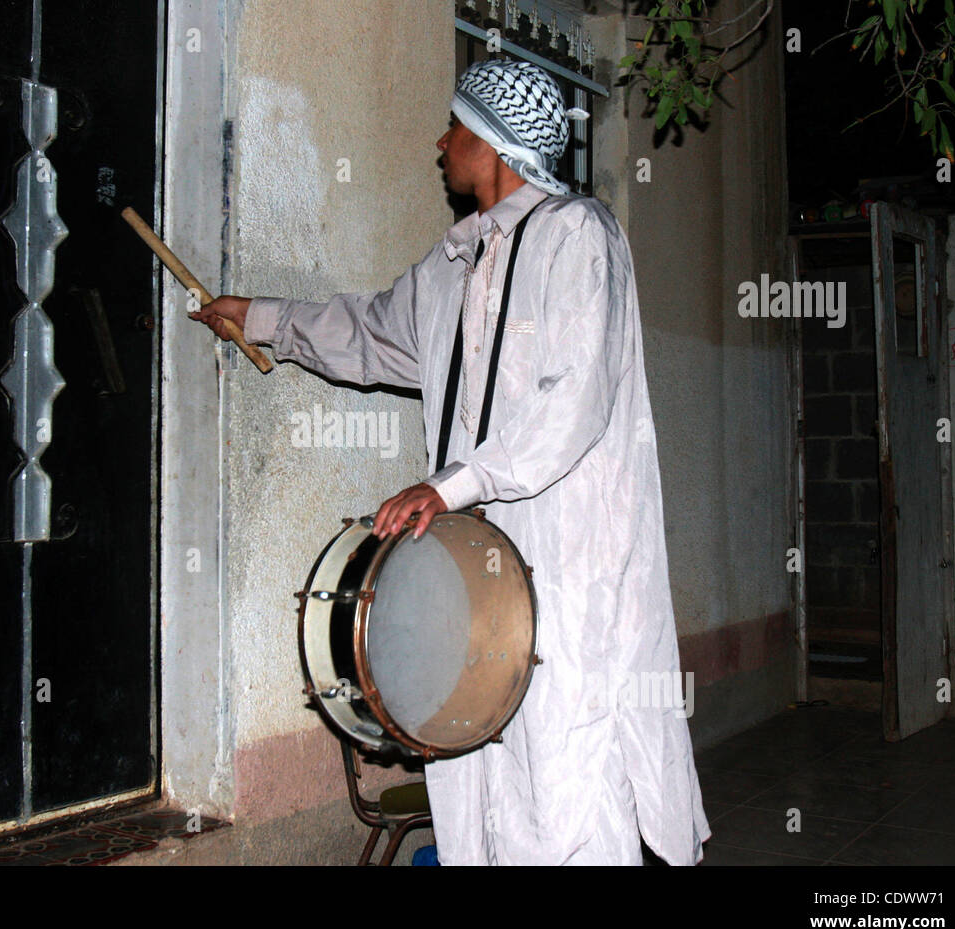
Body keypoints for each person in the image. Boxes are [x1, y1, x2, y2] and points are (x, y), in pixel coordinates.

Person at [191, 58, 710, 865]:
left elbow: (572, 405)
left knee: (568, 765)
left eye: (456, 129)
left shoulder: (579, 235)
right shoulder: (455, 262)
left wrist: (448, 485)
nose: (440, 144)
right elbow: (370, 333)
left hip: (572, 559)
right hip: (481, 561)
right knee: (482, 752)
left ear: (497, 145)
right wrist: (258, 318)